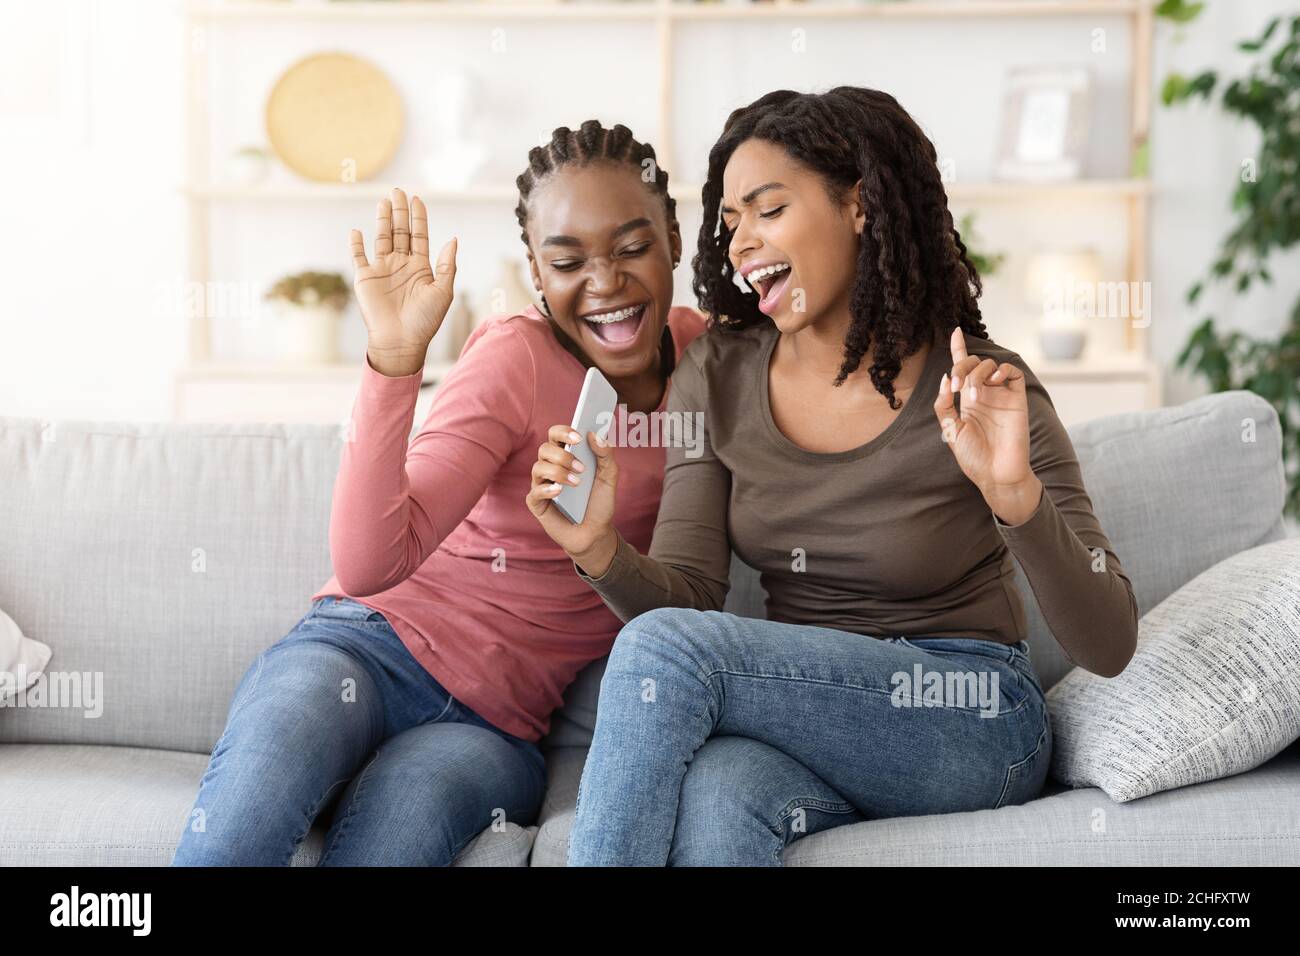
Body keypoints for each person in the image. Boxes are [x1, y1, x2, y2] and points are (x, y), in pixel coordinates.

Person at [527, 88, 1139, 866]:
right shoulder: (716, 374)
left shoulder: (980, 387)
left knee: (661, 652)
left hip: (970, 714)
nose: (742, 242)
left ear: (859, 204)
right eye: (730, 221)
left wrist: (1015, 497)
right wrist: (599, 549)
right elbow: (686, 595)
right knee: (718, 795)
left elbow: (1110, 642)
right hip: (810, 722)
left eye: (767, 209)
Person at [172, 121, 705, 866]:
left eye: (631, 246)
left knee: (402, 820)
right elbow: (369, 565)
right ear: (536, 272)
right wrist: (394, 360)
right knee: (253, 800)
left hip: (492, 726)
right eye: (567, 260)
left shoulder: (714, 365)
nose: (605, 282)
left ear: (675, 239)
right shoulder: (514, 356)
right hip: (364, 649)